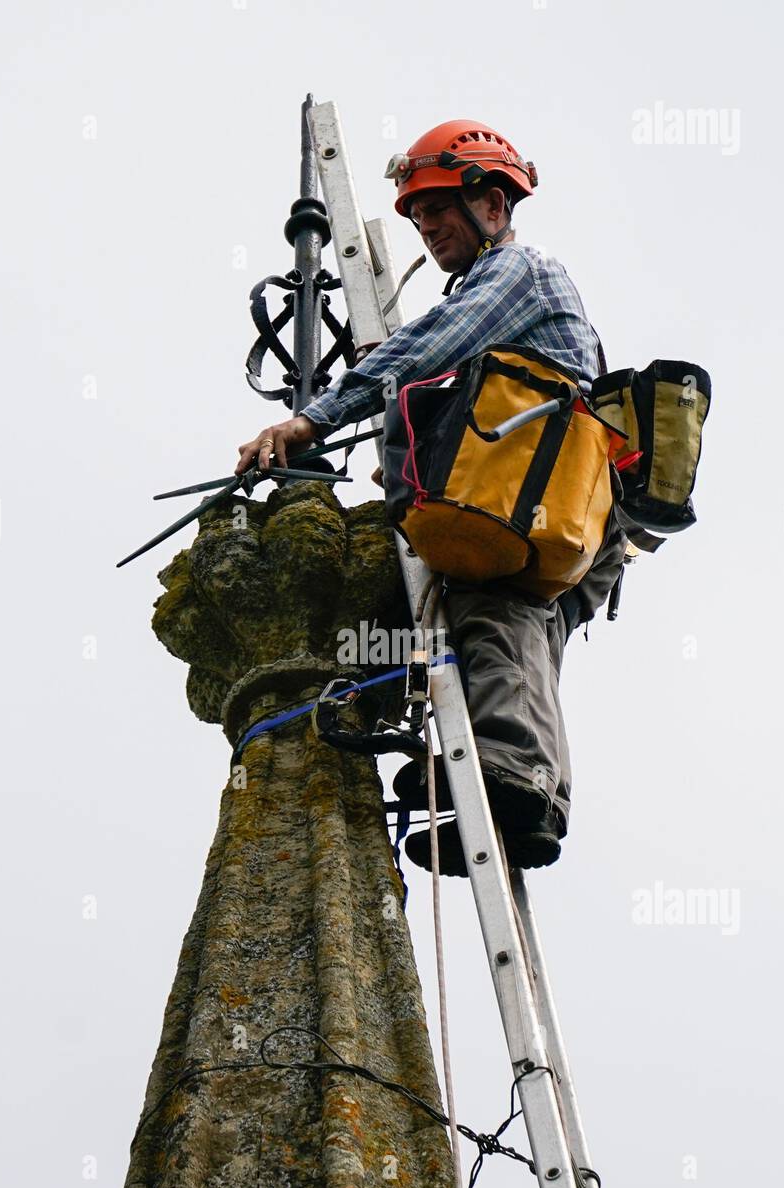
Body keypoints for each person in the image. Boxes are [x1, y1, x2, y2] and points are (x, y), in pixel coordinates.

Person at [236, 120, 627, 873]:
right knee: (508, 634)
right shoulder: (503, 294)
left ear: (490, 201)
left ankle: (513, 779)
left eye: (438, 210)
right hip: (568, 508)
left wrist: (313, 417)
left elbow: (428, 346)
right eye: (416, 218)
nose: (426, 229)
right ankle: (516, 804)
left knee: (494, 611)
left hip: (550, 498)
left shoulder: (519, 272)